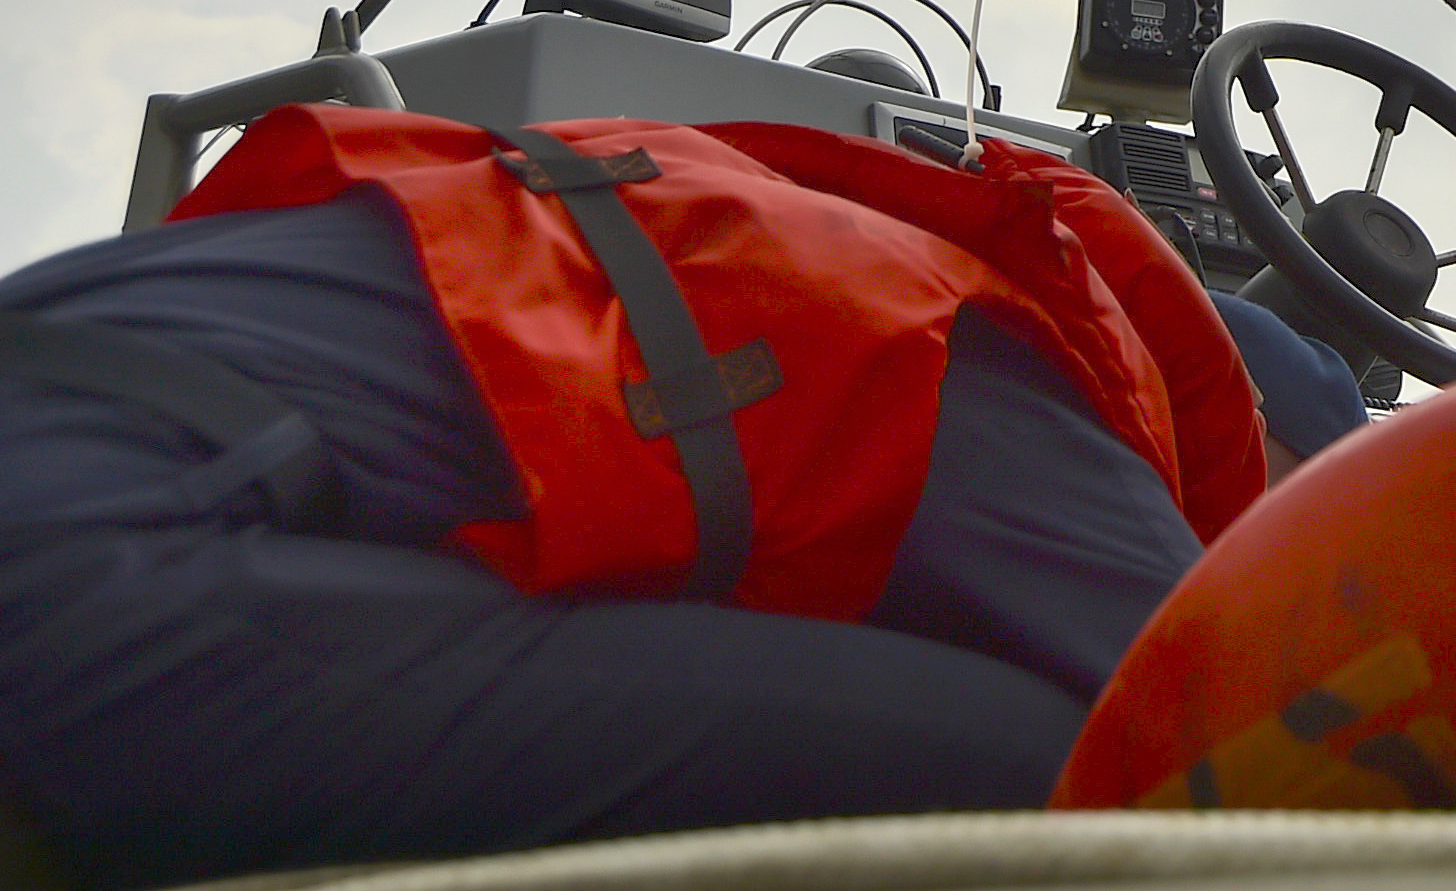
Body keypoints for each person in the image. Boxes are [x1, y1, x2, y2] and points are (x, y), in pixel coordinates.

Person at [0, 101, 1272, 886]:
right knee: (1057, 787)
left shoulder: (698, 208)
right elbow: (1226, 771)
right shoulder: (994, 364)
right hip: (87, 590)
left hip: (88, 456)